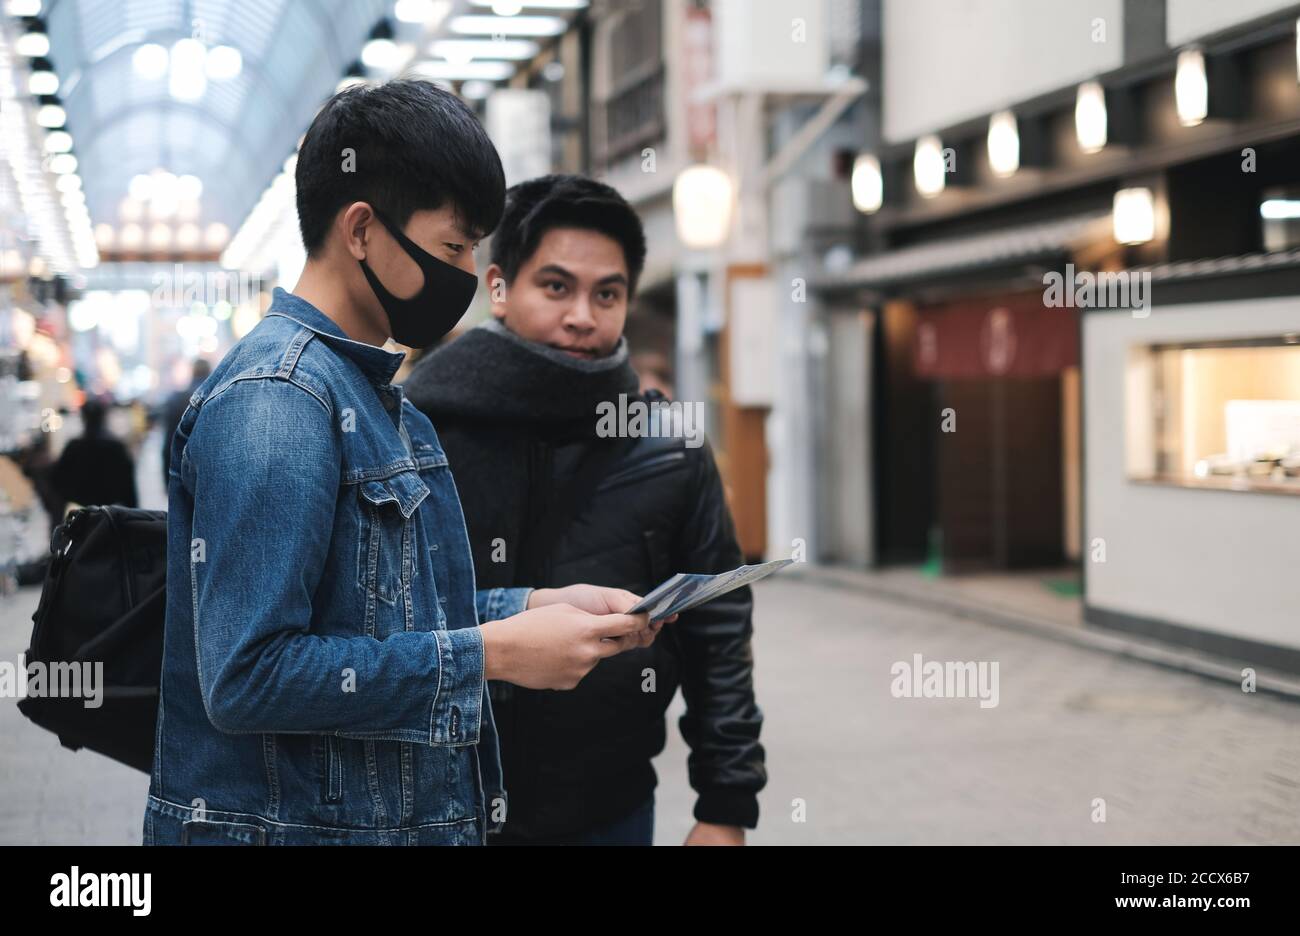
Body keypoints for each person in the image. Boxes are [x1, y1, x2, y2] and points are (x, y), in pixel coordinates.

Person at [144, 82, 661, 847]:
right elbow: (248, 677)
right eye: (453, 247)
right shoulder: (277, 400)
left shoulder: (376, 397)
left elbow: (382, 623)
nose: (465, 275)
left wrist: (528, 608)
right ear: (361, 230)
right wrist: (493, 656)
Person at [406, 174, 766, 846]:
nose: (583, 315)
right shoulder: (420, 432)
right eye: (556, 286)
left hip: (611, 807)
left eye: (608, 294)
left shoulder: (668, 446)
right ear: (499, 289)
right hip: (442, 804)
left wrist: (725, 808)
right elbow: (376, 619)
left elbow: (719, 635)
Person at [49, 397, 138, 513]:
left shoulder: (74, 446)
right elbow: (129, 487)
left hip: (82, 511)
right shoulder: (116, 447)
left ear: (83, 418)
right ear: (104, 416)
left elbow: (57, 480)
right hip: (110, 513)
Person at [159, 358, 211, 488]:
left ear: (192, 372)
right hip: (208, 472)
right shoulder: (218, 398)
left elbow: (169, 442)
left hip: (182, 471)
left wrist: (168, 481)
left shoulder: (176, 399)